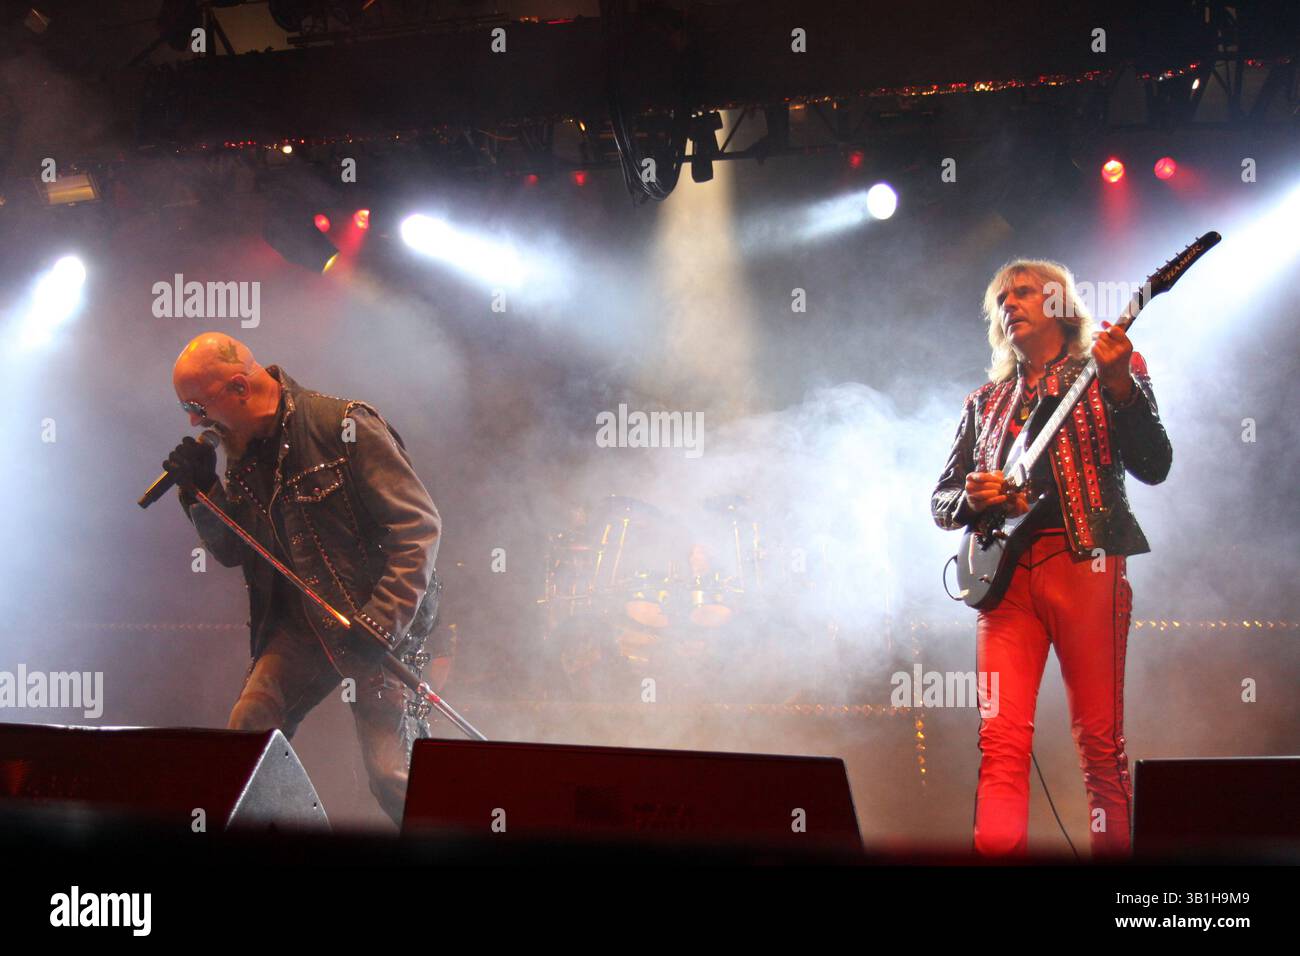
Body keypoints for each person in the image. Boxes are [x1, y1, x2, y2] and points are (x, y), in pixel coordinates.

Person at [931, 260, 1172, 857]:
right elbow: (940, 501)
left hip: (1084, 562)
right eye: (1001, 298)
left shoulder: (1114, 369)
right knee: (1001, 740)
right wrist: (970, 497)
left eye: (1024, 292)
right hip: (1003, 583)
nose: (1009, 303)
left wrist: (1119, 386)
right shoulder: (985, 401)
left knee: (1098, 740)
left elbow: (1155, 465)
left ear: (1062, 306)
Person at [165, 332, 447, 827]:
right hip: (301, 628)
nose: (193, 420)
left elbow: (418, 526)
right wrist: (201, 491)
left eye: (196, 404)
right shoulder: (244, 452)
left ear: (237, 387)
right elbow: (235, 550)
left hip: (372, 621)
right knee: (248, 733)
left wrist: (383, 622)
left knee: (392, 775)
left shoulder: (343, 426)